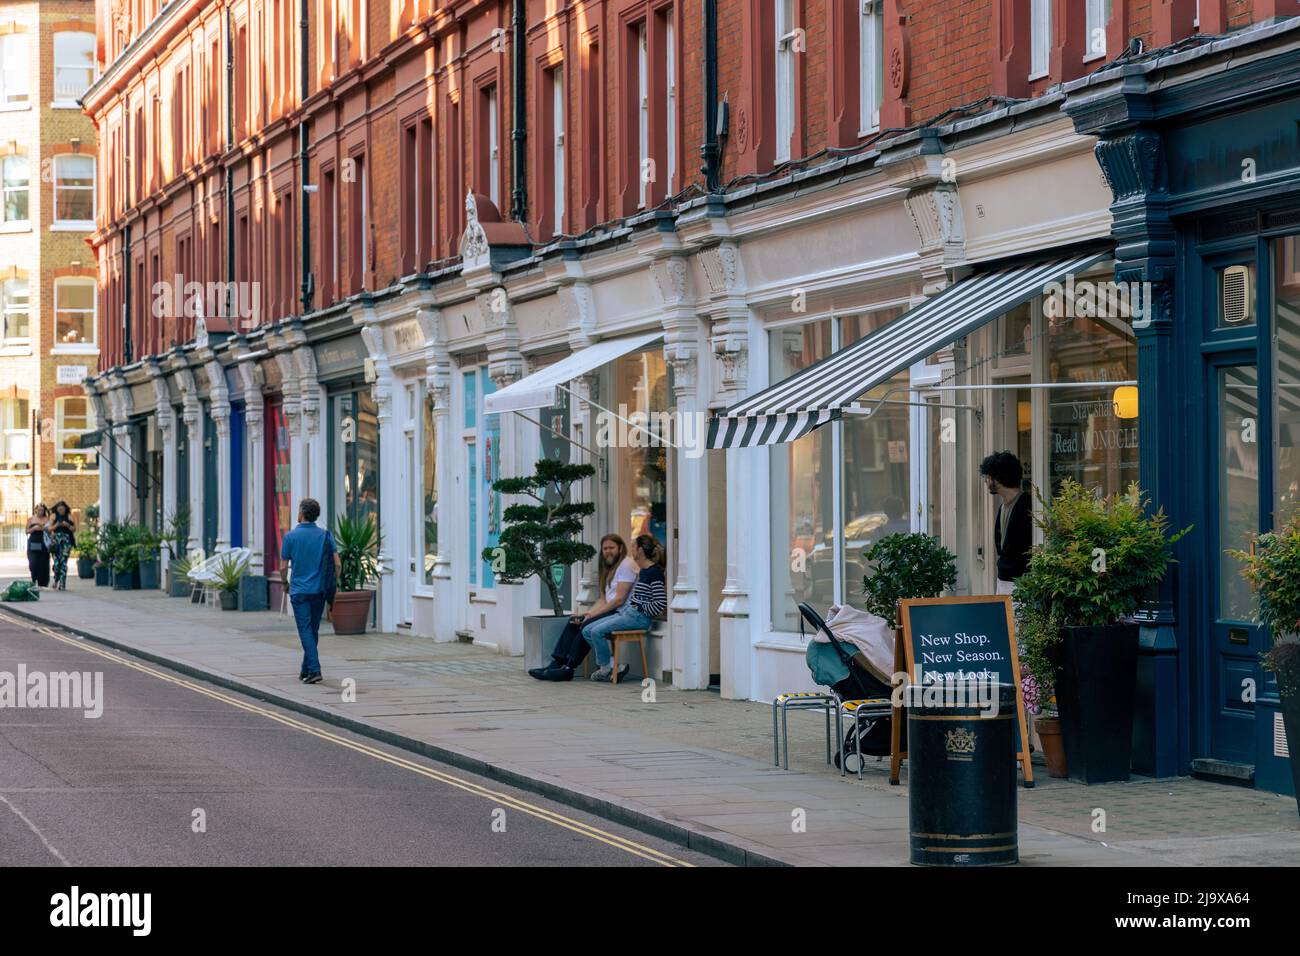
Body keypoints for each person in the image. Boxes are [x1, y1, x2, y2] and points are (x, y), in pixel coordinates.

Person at [529, 534, 635, 681]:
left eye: (611, 547)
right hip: (610, 609)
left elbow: (619, 599)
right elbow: (603, 599)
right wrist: (588, 614)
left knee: (586, 624)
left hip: (620, 612)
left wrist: (590, 617)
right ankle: (555, 664)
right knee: (575, 621)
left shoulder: (626, 565)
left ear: (620, 548)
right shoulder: (608, 568)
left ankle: (569, 668)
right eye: (605, 548)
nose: (608, 551)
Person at [585, 534, 667, 683]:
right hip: (628, 612)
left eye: (634, 547)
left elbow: (660, 603)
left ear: (640, 550)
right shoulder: (643, 571)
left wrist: (638, 606)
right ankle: (612, 665)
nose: (631, 551)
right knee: (587, 630)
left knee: (596, 631)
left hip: (638, 617)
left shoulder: (654, 573)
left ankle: (605, 669)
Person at [280, 498, 340, 684]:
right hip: (319, 591)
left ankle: (314, 669)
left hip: (299, 591)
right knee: (312, 630)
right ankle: (305, 669)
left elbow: (283, 567)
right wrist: (333, 584)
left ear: (302, 514)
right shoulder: (326, 536)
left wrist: (284, 583)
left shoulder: (290, 537)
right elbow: (337, 564)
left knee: (305, 630)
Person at [980, 451, 1032, 595]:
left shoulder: (1027, 506)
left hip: (1021, 582)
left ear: (998, 479)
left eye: (988, 476)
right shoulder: (1004, 506)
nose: (986, 480)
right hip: (1005, 579)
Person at [48, 501, 76, 591]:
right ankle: (56, 579)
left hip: (66, 541)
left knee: (63, 563)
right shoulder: (53, 516)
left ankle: (63, 583)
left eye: (63, 509)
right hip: (56, 541)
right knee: (57, 563)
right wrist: (56, 525)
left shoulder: (69, 516)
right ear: (56, 509)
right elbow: (49, 528)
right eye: (59, 509)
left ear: (65, 509)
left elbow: (74, 529)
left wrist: (67, 525)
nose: (61, 511)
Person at [26, 504, 51, 588]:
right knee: (33, 562)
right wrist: (33, 529)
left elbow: (51, 530)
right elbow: (27, 531)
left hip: (43, 542)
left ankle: (42, 582)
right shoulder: (31, 519)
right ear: (35, 510)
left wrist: (45, 528)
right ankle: (34, 579)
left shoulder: (47, 519)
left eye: (42, 510)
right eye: (39, 510)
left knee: (43, 562)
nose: (41, 512)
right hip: (34, 541)